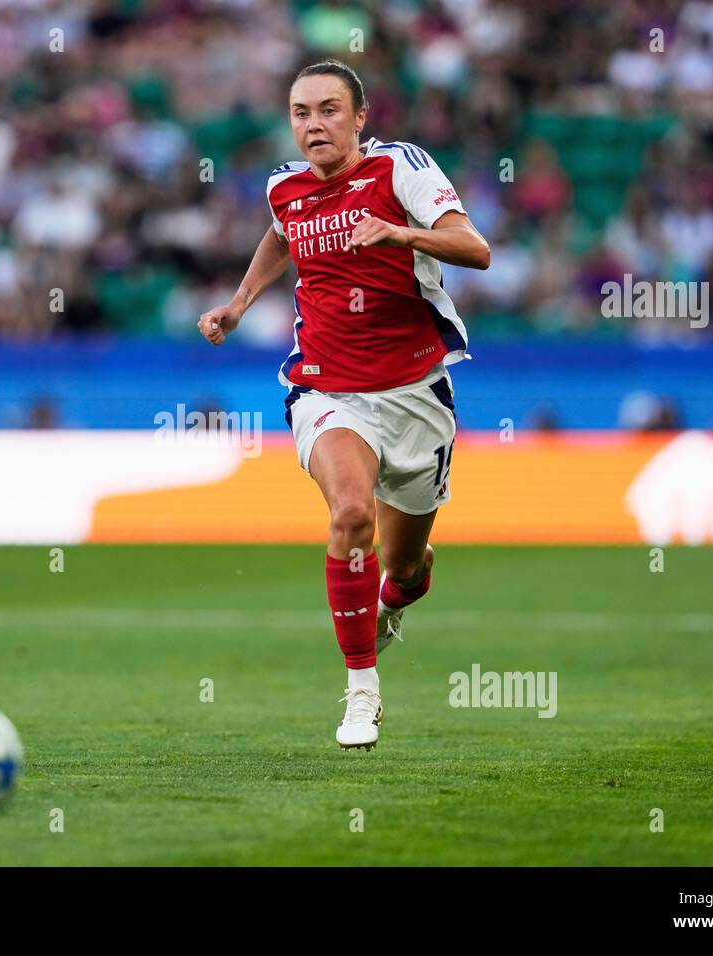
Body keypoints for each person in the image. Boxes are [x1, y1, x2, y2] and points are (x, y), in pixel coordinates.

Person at [198, 59, 490, 750]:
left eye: (329, 110)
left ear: (360, 118)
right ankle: (362, 691)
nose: (313, 124)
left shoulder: (401, 170)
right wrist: (239, 303)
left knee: (408, 568)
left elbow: (474, 248)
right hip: (327, 388)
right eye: (301, 112)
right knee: (351, 513)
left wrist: (402, 234)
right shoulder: (284, 187)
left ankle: (391, 600)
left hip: (417, 392)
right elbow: (281, 232)